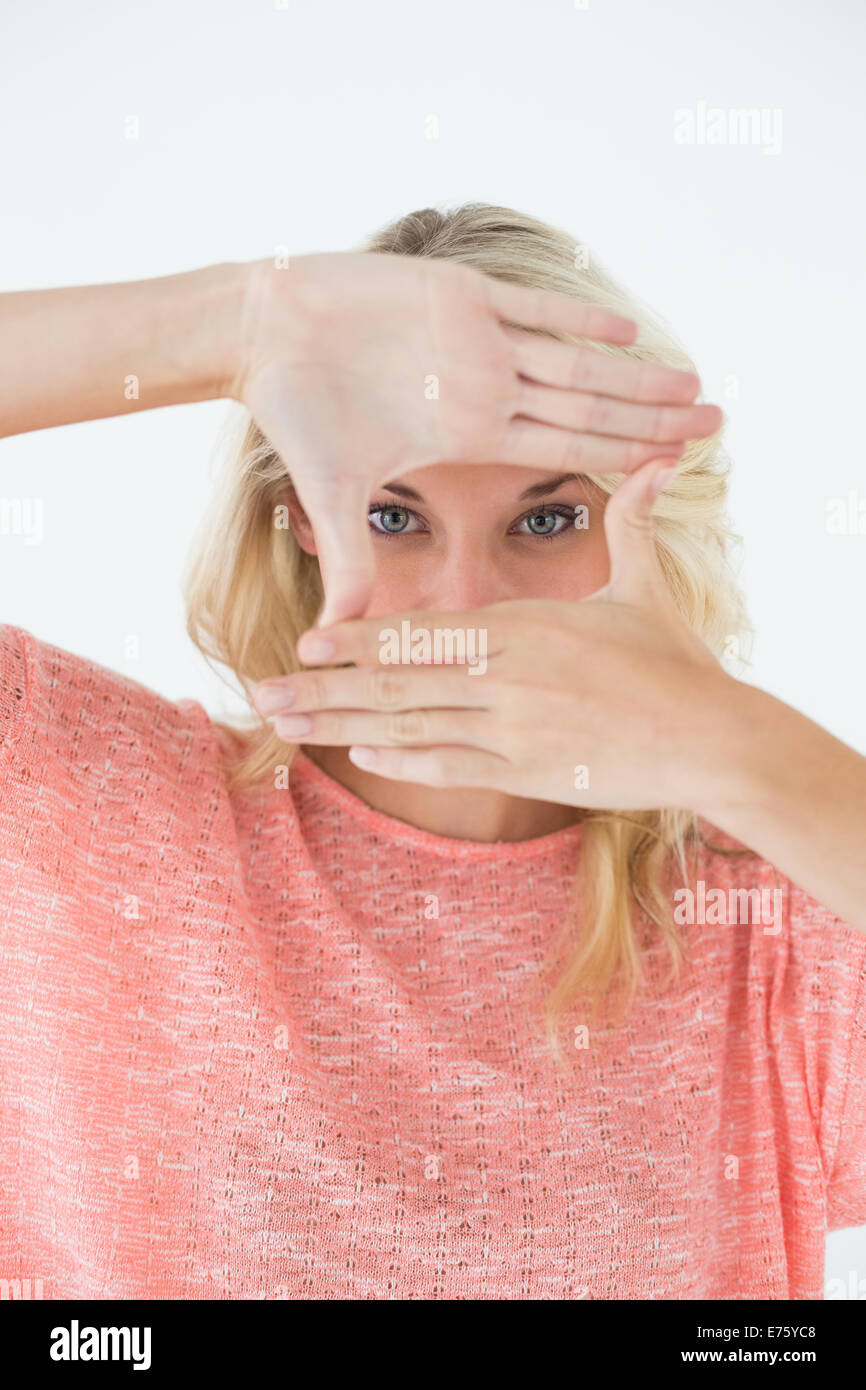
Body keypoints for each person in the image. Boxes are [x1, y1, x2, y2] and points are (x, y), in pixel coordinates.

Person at [0, 203, 864, 1301]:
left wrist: (730, 744)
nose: (464, 607)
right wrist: (235, 326)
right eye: (392, 515)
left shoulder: (770, 930)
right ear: (302, 516)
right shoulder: (97, 809)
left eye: (545, 520)